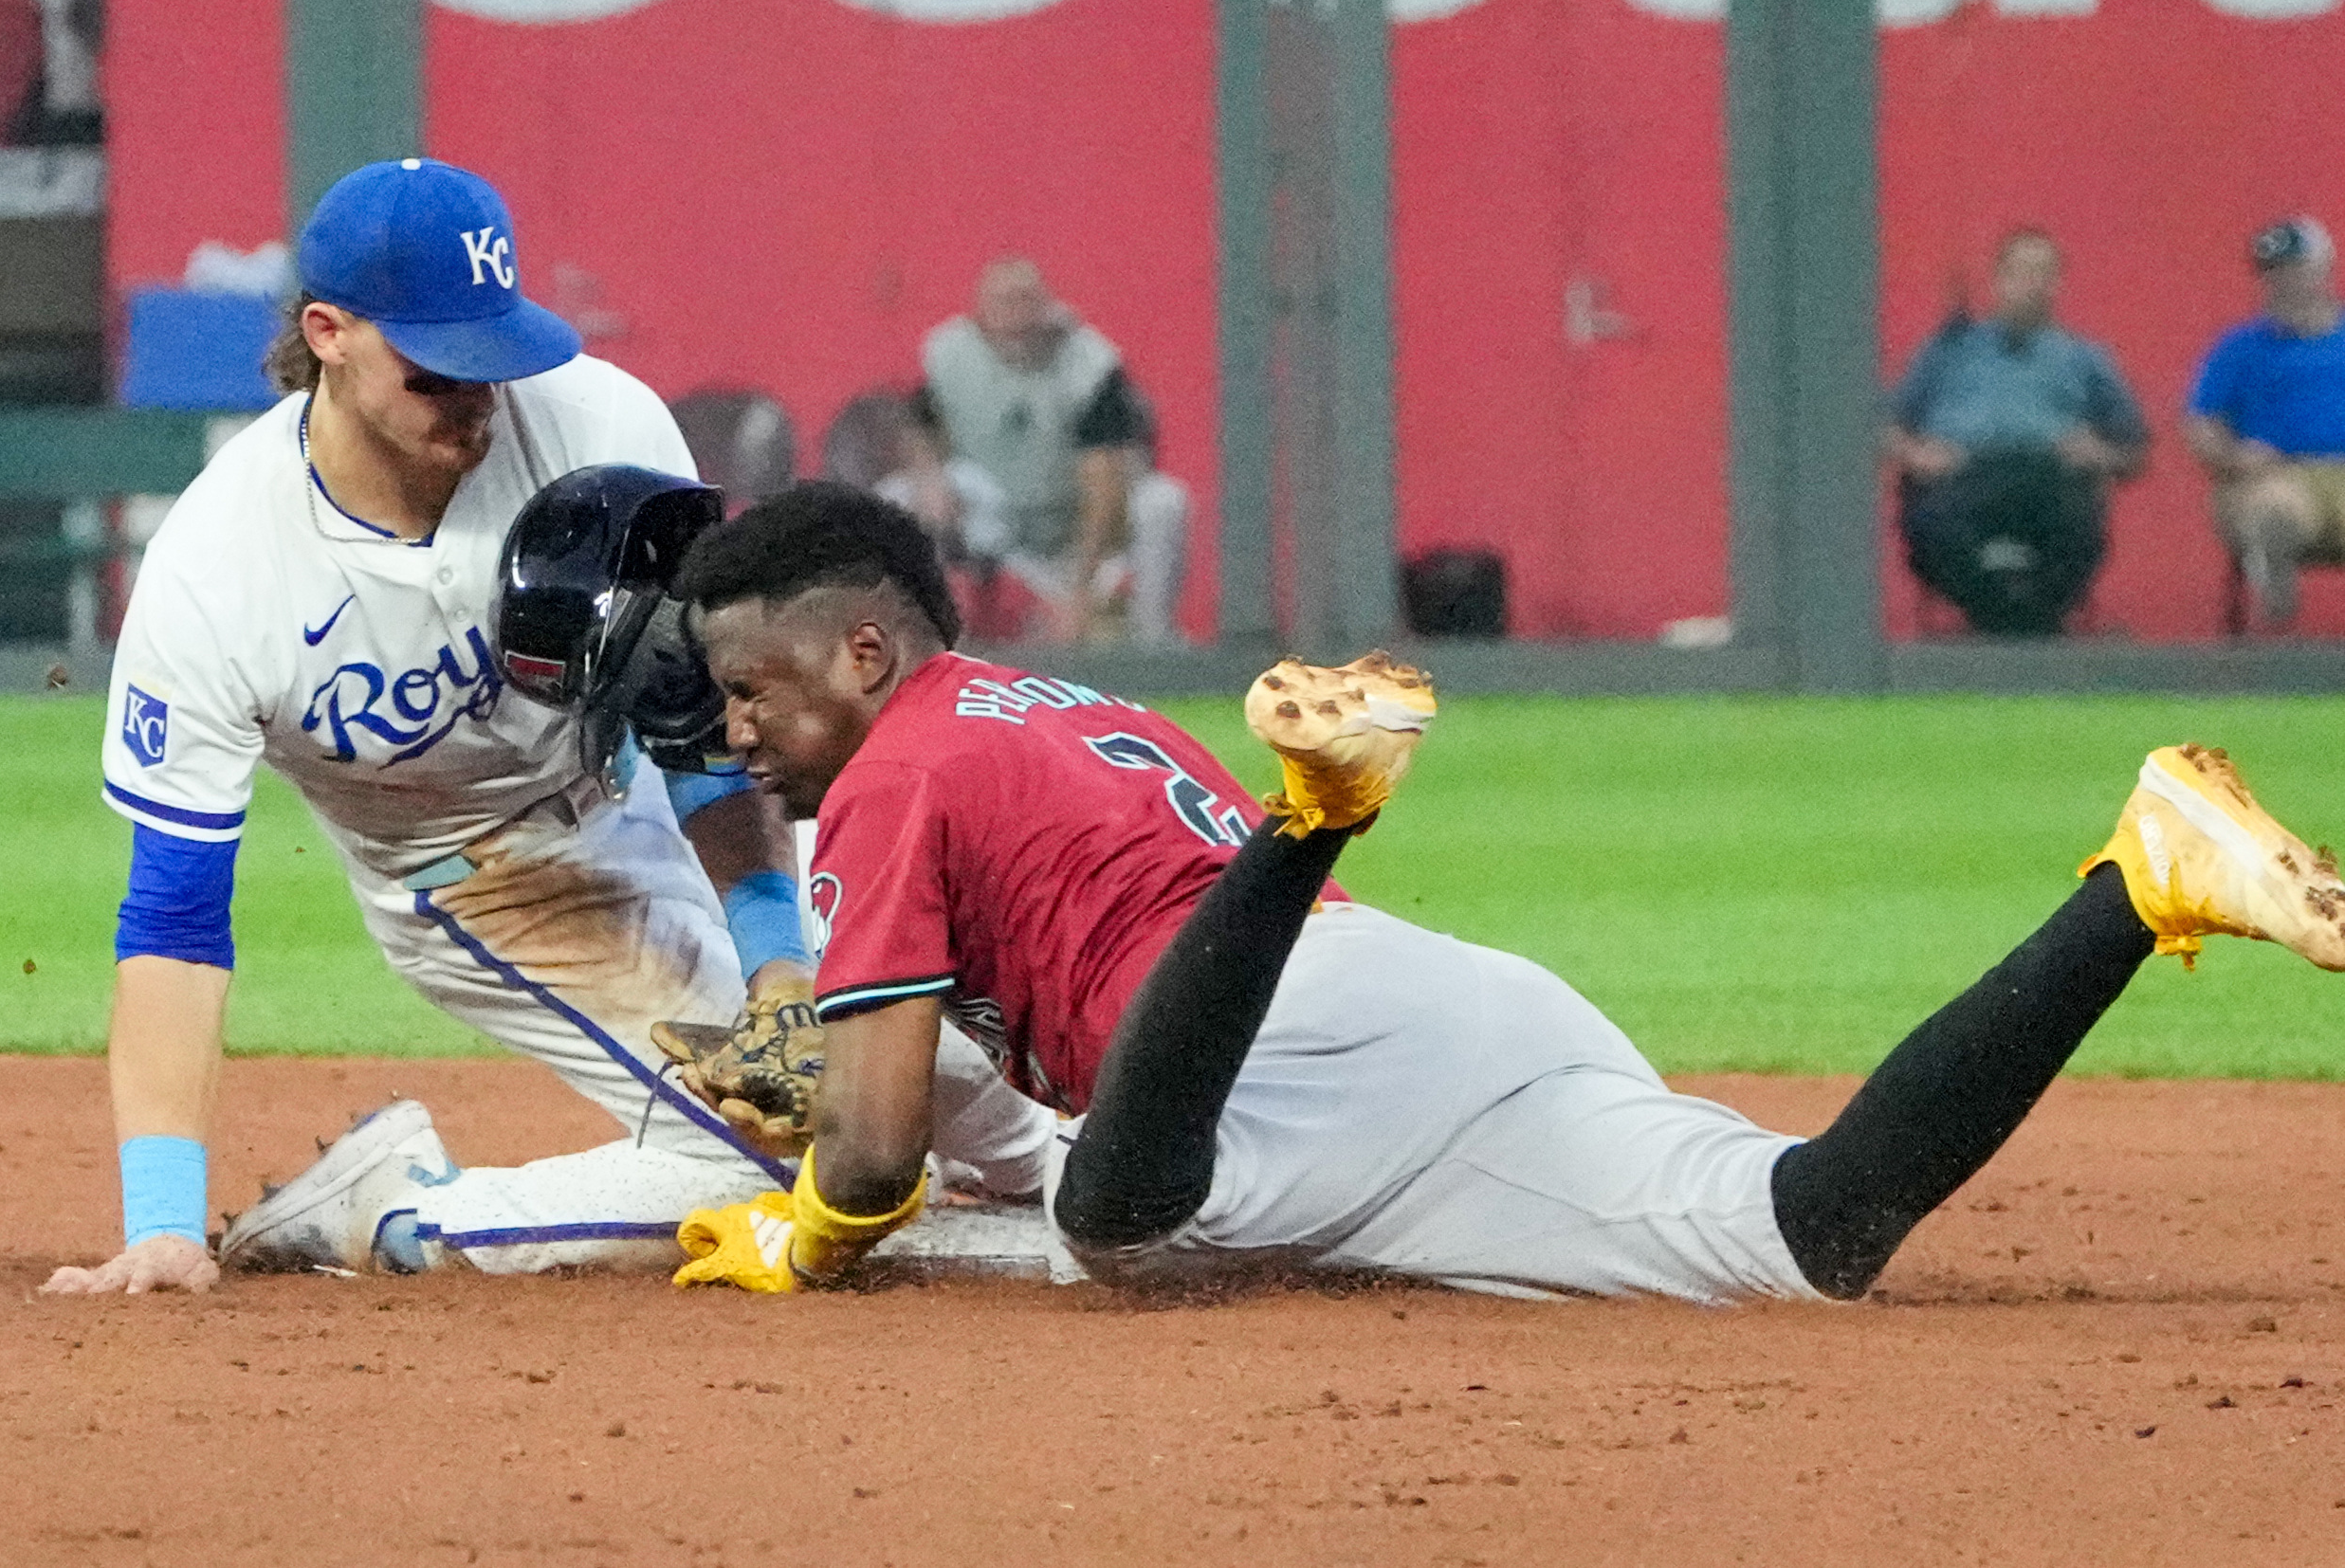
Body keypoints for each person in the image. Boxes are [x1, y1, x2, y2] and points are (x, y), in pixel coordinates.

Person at [652, 483, 2343, 1300]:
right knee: (1812, 1229)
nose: (734, 732)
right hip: (1437, 1012)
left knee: (1115, 1218)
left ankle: (1313, 816)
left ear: (862, 651)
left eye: (748, 691)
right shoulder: (1049, 700)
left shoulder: (890, 772)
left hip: (1260, 1054)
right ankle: (2143, 879)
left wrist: (810, 1231)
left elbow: (871, 1152)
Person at [42, 160, 1050, 1298]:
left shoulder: (597, 421)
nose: (479, 395)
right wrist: (163, 1220)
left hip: (646, 784)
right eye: (439, 368)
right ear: (328, 334)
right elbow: (175, 917)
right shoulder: (218, 570)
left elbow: (695, 715)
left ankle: (1045, 1177)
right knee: (798, 1161)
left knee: (942, 1053)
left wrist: (779, 965)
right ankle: (395, 1206)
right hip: (486, 872)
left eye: (495, 353)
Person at [1887, 229, 2149, 636]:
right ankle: (2008, 621)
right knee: (1932, 523)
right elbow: (1883, 425)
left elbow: (2135, 451)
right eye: (2022, 272)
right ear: (1998, 280)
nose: (2033, 284)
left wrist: (2102, 455)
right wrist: (1913, 454)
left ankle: (2022, 625)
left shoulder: (2085, 358)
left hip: (2049, 477)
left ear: (2058, 284)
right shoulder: (1948, 349)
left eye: (2044, 274)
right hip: (1962, 476)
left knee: (2080, 525)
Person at [921, 257, 1188, 645]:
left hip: (1083, 537)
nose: (1016, 317)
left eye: (1025, 301)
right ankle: (938, 647)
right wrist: (931, 480)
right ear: (979, 315)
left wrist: (1079, 591)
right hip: (1003, 537)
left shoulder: (1089, 366)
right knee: (903, 496)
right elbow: (920, 434)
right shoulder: (948, 356)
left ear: (1048, 306)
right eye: (1003, 303)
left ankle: (1152, 641)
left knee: (1163, 502)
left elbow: (1104, 489)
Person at [2188, 217, 2345, 631]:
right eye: (2272, 273)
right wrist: (2232, 457)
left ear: (2324, 270)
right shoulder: (2238, 348)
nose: (2282, 283)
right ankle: (2275, 595)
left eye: (2294, 270)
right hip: (2277, 475)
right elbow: (2202, 424)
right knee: (2274, 510)